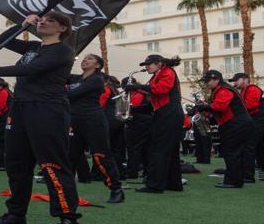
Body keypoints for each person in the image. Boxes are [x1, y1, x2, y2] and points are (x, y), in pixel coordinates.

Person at [0, 11, 88, 224]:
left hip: (47, 109)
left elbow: (32, 69)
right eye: (41, 19)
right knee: (16, 163)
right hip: (21, 108)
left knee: (52, 163)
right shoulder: (33, 47)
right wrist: (21, 25)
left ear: (62, 28)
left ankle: (68, 219)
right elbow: (2, 40)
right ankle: (16, 213)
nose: (43, 22)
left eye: (50, 20)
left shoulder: (63, 50)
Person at [67, 54, 125, 203]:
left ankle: (116, 189)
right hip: (74, 121)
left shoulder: (97, 80)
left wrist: (57, 93)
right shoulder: (75, 78)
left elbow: (72, 94)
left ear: (98, 65)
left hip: (93, 121)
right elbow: (56, 77)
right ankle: (68, 192)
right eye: (84, 58)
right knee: (70, 157)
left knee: (101, 156)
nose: (85, 60)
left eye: (90, 59)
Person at [124, 54, 182, 193]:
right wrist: (136, 91)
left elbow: (161, 89)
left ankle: (155, 185)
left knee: (158, 149)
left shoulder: (167, 72)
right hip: (168, 113)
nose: (146, 67)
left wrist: (136, 86)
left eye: (149, 64)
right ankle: (173, 183)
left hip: (168, 113)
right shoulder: (160, 73)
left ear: (159, 63)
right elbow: (154, 94)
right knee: (170, 151)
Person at [197, 69, 251, 188]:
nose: (207, 83)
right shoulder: (220, 89)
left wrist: (204, 107)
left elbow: (219, 106)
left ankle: (233, 181)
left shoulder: (224, 89)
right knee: (232, 152)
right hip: (236, 124)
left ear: (217, 79)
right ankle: (235, 179)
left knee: (232, 152)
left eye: (208, 81)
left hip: (236, 124)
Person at [231, 72, 264, 183]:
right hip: (260, 121)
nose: (235, 83)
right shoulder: (244, 90)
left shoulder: (252, 89)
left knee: (249, 147)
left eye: (236, 80)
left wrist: (234, 105)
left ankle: (248, 176)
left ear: (244, 79)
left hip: (259, 121)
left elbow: (251, 105)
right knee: (263, 149)